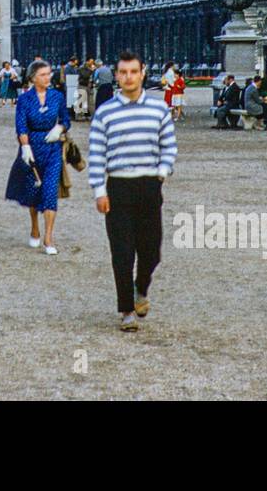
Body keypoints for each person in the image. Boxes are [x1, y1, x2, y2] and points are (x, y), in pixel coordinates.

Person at [89, 51, 176, 332]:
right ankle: (126, 309)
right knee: (122, 252)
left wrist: (161, 174)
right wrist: (99, 191)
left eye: (133, 72)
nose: (128, 77)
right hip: (118, 187)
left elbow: (169, 147)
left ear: (142, 74)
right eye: (123, 72)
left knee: (152, 252)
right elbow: (96, 154)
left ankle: (142, 286)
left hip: (149, 185)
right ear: (116, 76)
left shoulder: (159, 109)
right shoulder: (105, 112)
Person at [5, 59, 71, 254]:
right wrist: (25, 147)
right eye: (43, 74)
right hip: (32, 146)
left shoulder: (57, 96)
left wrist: (60, 127)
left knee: (50, 191)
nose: (48, 77)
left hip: (52, 148)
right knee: (34, 191)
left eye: (49, 73)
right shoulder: (25, 100)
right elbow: (21, 125)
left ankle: (49, 238)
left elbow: (66, 118)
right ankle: (34, 226)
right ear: (33, 78)